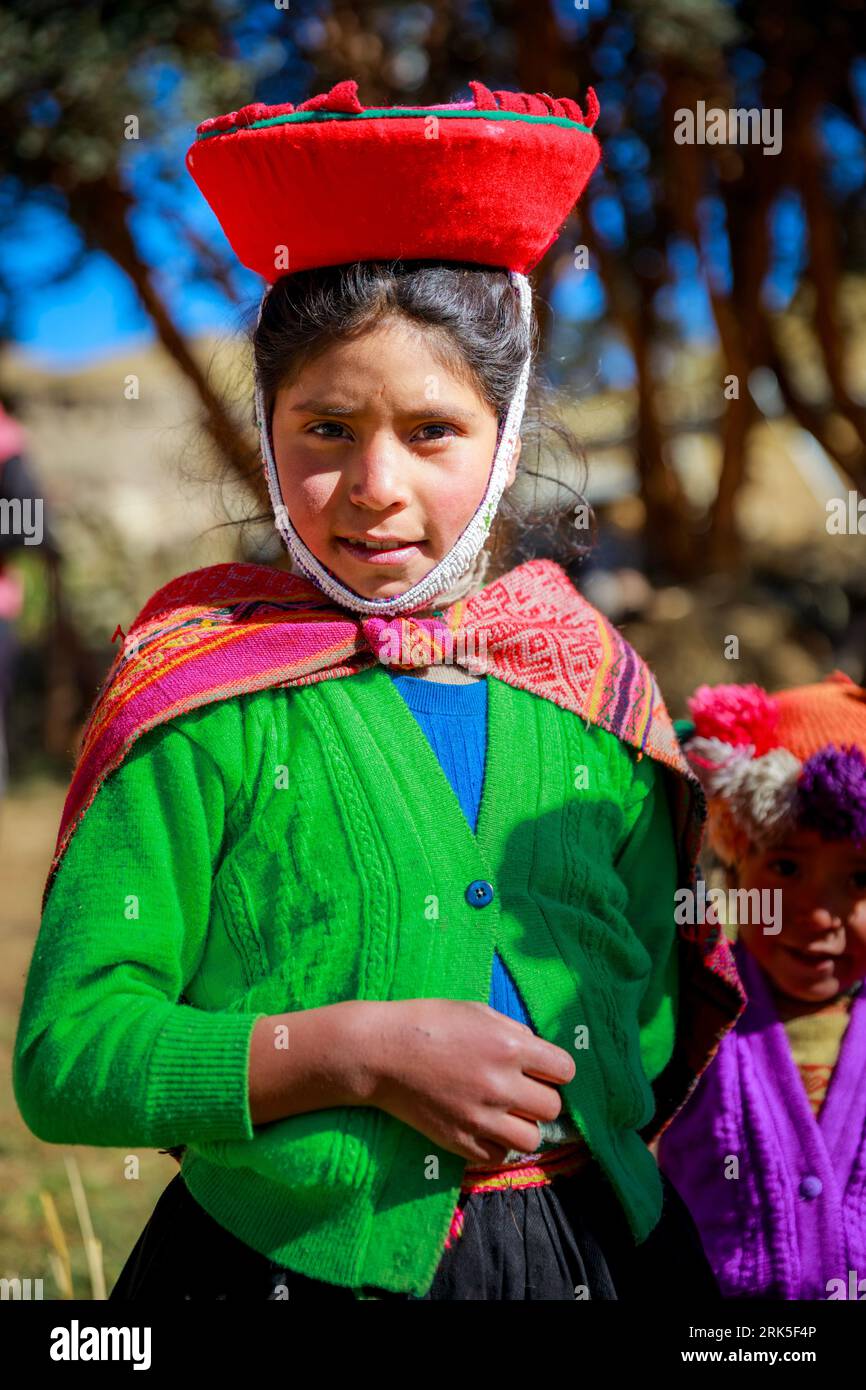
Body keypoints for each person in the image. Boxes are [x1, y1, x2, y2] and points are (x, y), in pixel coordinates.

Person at [12, 77, 744, 1302]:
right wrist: (348, 1053)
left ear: (504, 436)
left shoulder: (590, 689)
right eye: (326, 429)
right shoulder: (205, 692)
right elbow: (71, 1052)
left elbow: (654, 1010)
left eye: (431, 431)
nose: (373, 486)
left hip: (596, 1260)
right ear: (266, 428)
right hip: (277, 1265)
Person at [657, 672, 866, 1300]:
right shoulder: (689, 1011)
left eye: (859, 878)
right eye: (785, 867)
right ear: (736, 861)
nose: (816, 913)